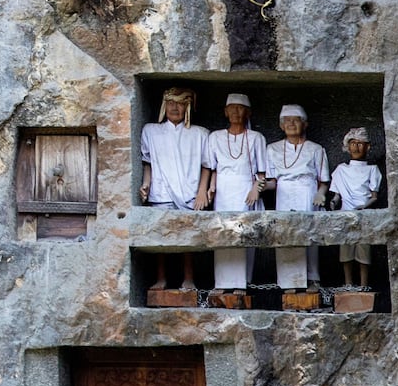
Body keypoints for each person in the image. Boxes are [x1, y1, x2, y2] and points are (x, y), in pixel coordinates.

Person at [140, 87, 210, 292]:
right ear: (164, 105)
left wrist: (201, 191)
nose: (174, 107)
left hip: (189, 193)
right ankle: (161, 278)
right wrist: (146, 184)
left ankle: (189, 278)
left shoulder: (200, 134)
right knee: (160, 236)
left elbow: (207, 165)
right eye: (170, 103)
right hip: (161, 190)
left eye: (180, 103)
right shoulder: (150, 131)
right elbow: (148, 162)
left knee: (188, 237)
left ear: (188, 107)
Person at [203, 93, 266, 295]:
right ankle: (221, 283)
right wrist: (210, 188)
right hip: (223, 191)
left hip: (245, 190)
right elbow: (212, 168)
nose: (236, 112)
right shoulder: (215, 137)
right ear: (225, 112)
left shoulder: (256, 138)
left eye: (240, 108)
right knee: (223, 233)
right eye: (232, 108)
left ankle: (241, 284)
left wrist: (256, 187)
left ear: (247, 113)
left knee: (242, 233)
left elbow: (262, 172)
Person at [263, 105, 329, 290]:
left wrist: (320, 193)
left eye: (296, 120)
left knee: (309, 234)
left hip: (307, 192)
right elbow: (272, 182)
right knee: (285, 235)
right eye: (287, 120)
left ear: (305, 124)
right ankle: (289, 282)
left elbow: (323, 181)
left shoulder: (316, 149)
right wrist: (262, 186)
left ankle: (312, 279)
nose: (291, 124)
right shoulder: (272, 149)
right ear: (281, 126)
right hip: (283, 194)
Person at [330, 127, 383, 290]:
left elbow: (374, 197)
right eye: (353, 143)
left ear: (368, 147)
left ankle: (364, 285)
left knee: (363, 250)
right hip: (345, 214)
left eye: (361, 144)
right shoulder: (341, 170)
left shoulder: (372, 170)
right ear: (347, 146)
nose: (356, 147)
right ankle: (347, 284)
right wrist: (333, 202)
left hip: (364, 215)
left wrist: (364, 206)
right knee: (346, 250)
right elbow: (337, 195)